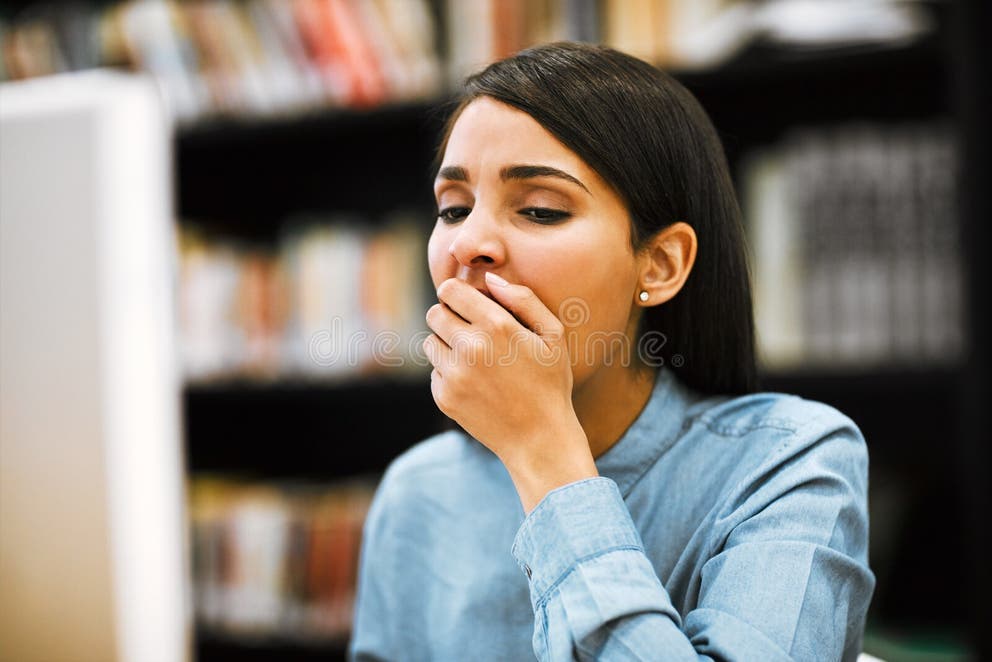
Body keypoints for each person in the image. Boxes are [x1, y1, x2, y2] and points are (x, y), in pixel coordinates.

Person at [349, 42, 874, 661]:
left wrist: (542, 451)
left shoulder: (791, 462)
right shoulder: (418, 492)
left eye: (540, 209)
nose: (470, 243)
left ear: (660, 262)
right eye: (454, 208)